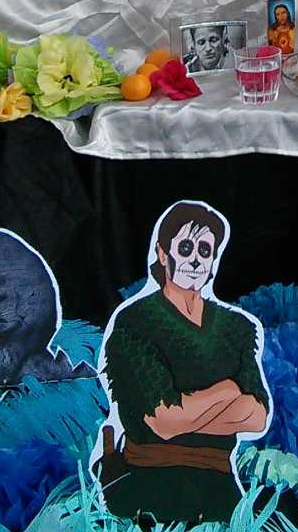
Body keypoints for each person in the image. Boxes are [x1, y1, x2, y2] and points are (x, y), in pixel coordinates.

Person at [96, 202, 269, 525]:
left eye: (205, 250)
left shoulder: (238, 328)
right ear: (163, 254)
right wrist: (227, 390)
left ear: (214, 260)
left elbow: (257, 415)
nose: (194, 259)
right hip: (148, 491)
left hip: (221, 493)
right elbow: (162, 419)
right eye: (186, 247)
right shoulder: (135, 322)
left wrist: (185, 414)